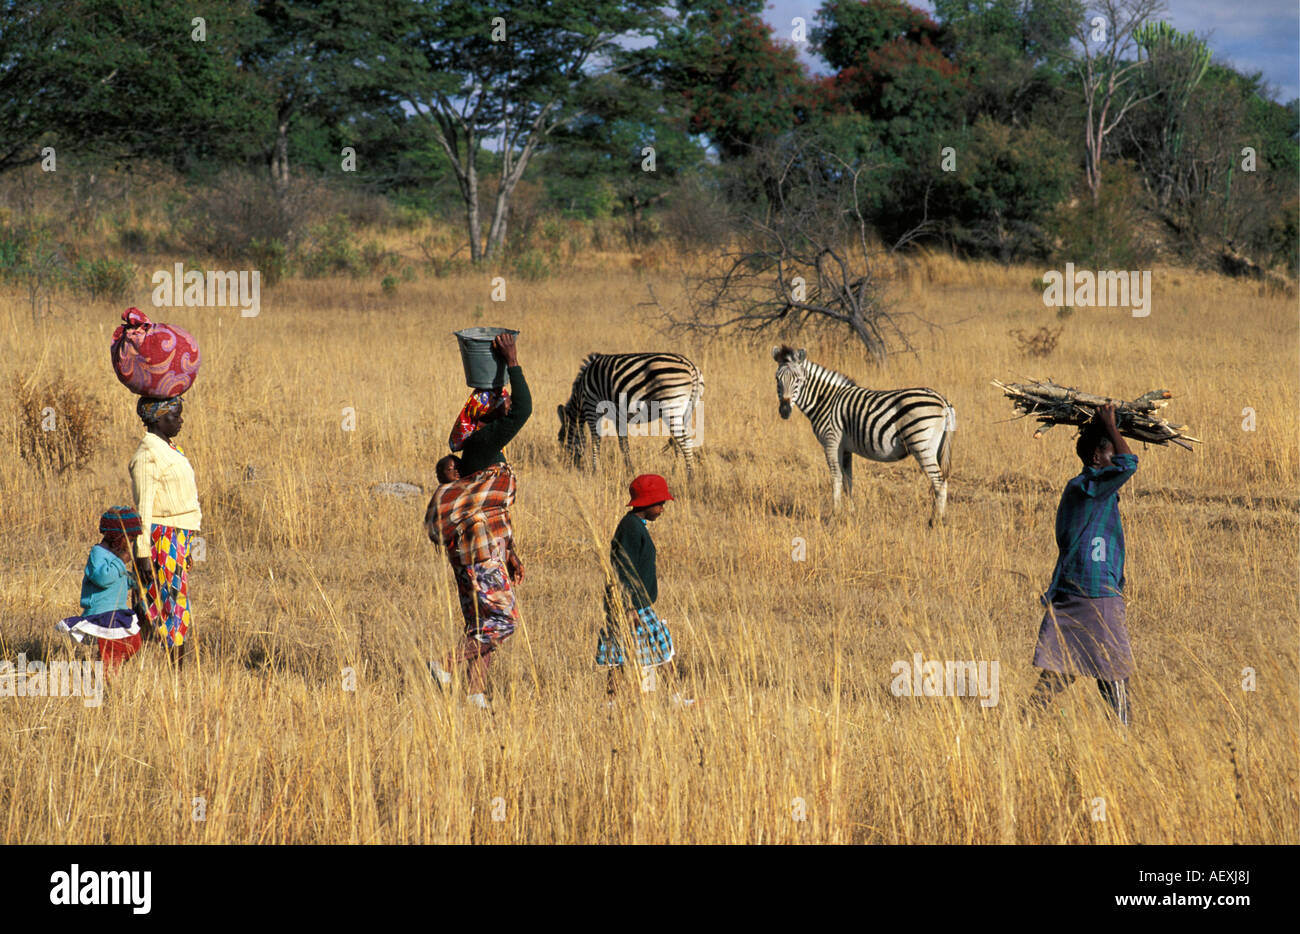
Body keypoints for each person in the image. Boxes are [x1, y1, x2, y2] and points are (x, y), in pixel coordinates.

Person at [1027, 405, 1138, 725]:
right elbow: (1129, 464)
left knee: (1062, 669)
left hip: (1078, 592)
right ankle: (1125, 738)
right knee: (1114, 672)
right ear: (1095, 459)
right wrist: (1110, 425)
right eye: (1110, 452)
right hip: (1093, 594)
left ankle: (1025, 723)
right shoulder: (1087, 487)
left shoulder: (1088, 490)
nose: (1115, 458)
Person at [425, 454, 523, 709]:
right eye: (448, 468)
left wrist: (510, 554)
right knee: (504, 621)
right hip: (477, 564)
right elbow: (436, 528)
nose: (455, 470)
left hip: (476, 564)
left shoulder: (472, 493)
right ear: (439, 475)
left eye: (458, 466)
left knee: (481, 626)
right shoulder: (451, 494)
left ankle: (474, 693)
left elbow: (495, 520)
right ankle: (444, 663)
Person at [597, 474, 693, 706]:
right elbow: (622, 569)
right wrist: (628, 607)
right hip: (633, 605)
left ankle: (612, 702)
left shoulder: (635, 525)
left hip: (636, 603)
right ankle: (674, 698)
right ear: (647, 503)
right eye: (660, 504)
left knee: (624, 652)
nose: (662, 508)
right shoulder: (631, 529)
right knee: (659, 650)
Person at [129, 395, 201, 668]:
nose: (180, 421)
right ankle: (176, 673)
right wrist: (143, 551)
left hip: (176, 537)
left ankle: (130, 657)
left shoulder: (168, 449)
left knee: (158, 603)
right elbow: (144, 509)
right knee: (172, 603)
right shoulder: (148, 456)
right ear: (158, 419)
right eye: (175, 416)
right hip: (163, 537)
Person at [55, 506, 146, 670]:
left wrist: (134, 581)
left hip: (117, 611)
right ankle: (105, 674)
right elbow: (103, 579)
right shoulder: (98, 553)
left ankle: (105, 668)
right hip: (103, 613)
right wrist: (121, 562)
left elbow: (119, 580)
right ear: (117, 537)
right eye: (130, 539)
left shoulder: (114, 557)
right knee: (112, 648)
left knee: (134, 641)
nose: (131, 544)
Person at [452, 333, 532, 476]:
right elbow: (523, 410)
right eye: (502, 402)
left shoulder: (476, 446)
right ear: (487, 411)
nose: (509, 406)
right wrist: (512, 361)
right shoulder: (481, 443)